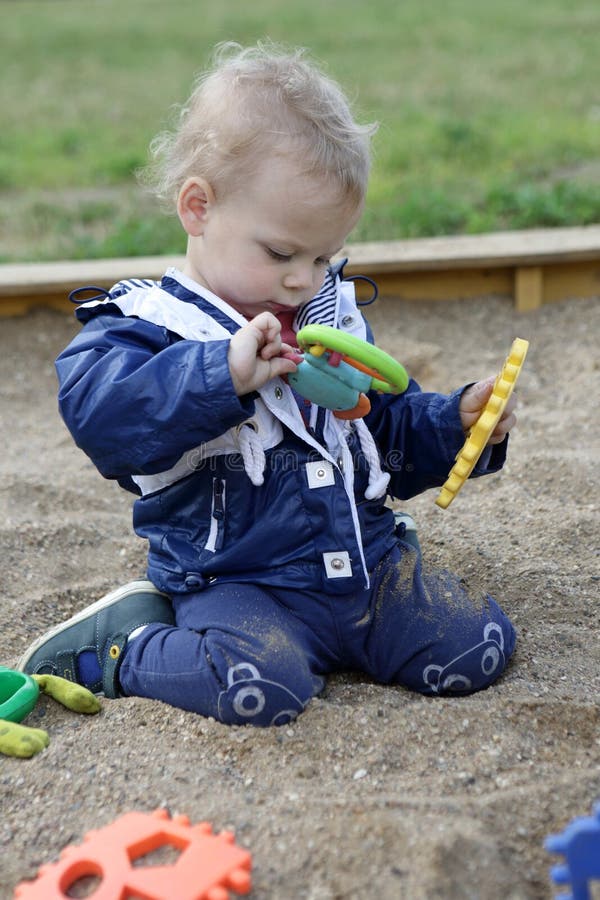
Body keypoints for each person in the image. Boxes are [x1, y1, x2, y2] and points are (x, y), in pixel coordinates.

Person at [18, 42, 517, 726]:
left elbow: (381, 432)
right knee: (260, 687)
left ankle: (374, 610)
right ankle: (126, 644)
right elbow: (103, 417)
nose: (304, 280)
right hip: (237, 583)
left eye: (323, 257)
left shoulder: (323, 315)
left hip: (358, 564)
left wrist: (455, 423)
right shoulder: (151, 325)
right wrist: (220, 372)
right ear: (198, 208)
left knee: (477, 650)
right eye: (282, 253)